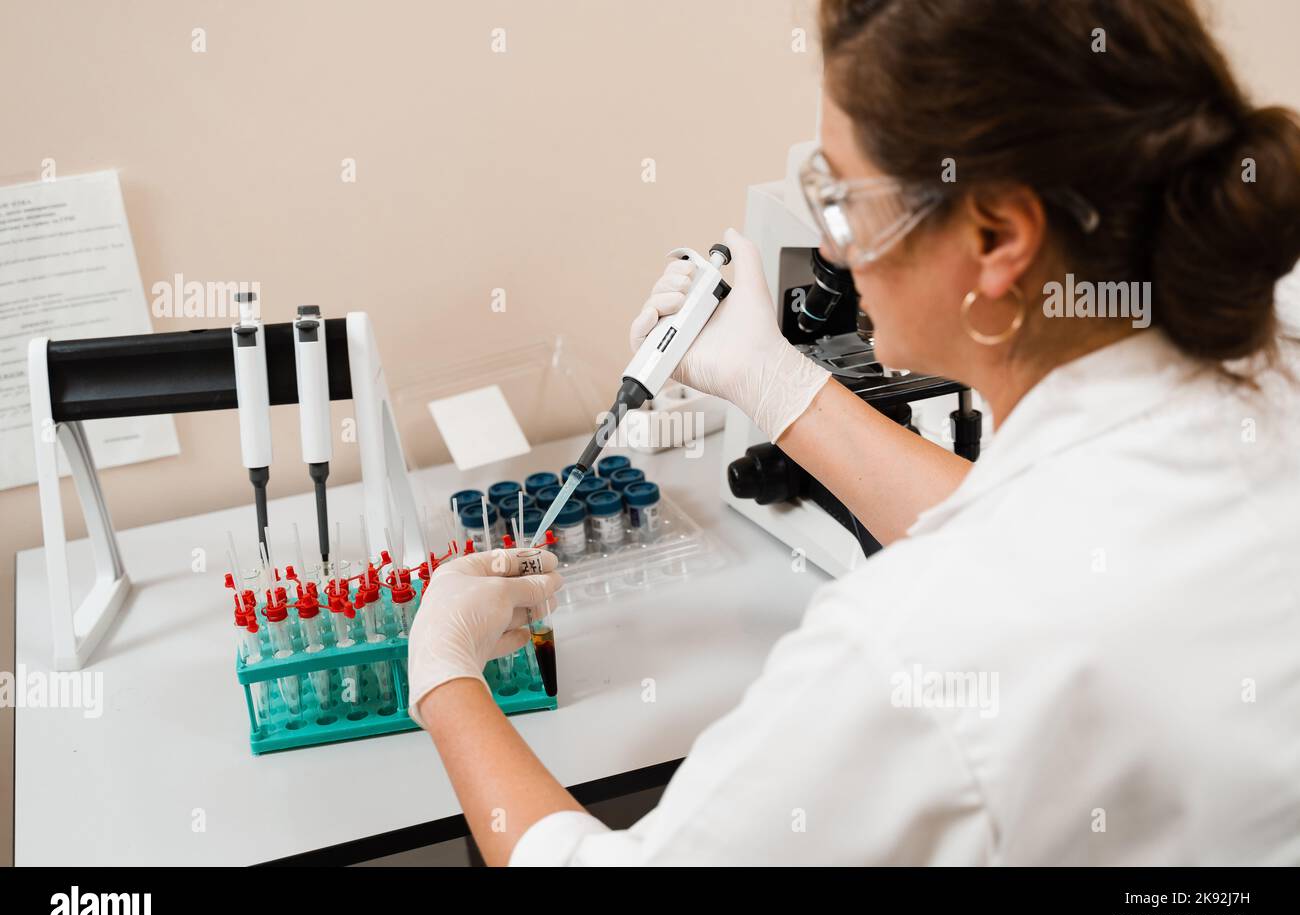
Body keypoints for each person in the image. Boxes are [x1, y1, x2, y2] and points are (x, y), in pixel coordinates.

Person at [407, 0, 1300, 865]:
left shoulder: (913, 650)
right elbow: (1050, 536)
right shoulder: (1272, 348)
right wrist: (777, 384)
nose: (831, 250)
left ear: (995, 234)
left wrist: (446, 676)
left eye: (845, 198)